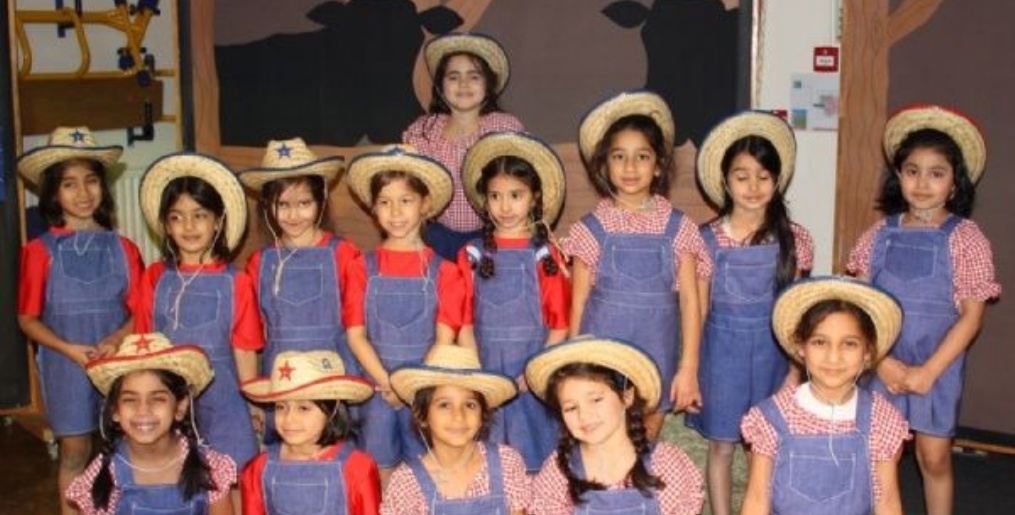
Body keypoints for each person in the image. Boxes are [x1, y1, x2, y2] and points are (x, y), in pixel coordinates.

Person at [846, 105, 1001, 515]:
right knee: (882, 458)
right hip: (883, 362)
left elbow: (972, 315)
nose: (923, 183)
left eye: (937, 173)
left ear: (954, 183)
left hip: (938, 365)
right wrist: (881, 363)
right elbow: (859, 310)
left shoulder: (966, 239)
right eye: (912, 171)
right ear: (898, 177)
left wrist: (928, 371)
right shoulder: (878, 234)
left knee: (933, 458)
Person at [685, 111, 813, 515]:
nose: (753, 186)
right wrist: (692, 370)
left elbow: (797, 314)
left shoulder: (795, 240)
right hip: (721, 358)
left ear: (777, 181)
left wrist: (795, 373)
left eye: (763, 176)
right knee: (722, 444)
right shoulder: (704, 239)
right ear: (725, 181)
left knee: (771, 442)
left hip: (775, 356)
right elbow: (699, 311)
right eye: (742, 176)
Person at [562, 91, 710, 438]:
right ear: (604, 165)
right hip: (601, 358)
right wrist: (571, 362)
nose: (630, 168)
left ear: (658, 165)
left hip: (657, 356)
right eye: (619, 156)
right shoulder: (589, 229)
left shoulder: (679, 227)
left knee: (646, 436)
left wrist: (688, 368)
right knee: (602, 435)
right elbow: (579, 302)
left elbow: (691, 302)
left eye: (642, 156)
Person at [15, 127, 144, 515]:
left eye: (90, 181)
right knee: (75, 448)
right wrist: (69, 349)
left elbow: (141, 312)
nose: (83, 193)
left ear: (102, 188)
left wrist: (119, 338)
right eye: (69, 184)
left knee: (121, 444)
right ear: (53, 193)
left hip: (117, 360)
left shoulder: (124, 248)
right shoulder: (38, 252)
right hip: (64, 362)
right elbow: (27, 319)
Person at [135, 153, 262, 483]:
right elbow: (143, 343)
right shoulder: (153, 277)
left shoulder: (237, 281)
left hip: (224, 396)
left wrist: (253, 405)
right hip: (168, 395)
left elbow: (245, 349)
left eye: (199, 216)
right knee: (177, 477)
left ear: (218, 221)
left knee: (232, 474)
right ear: (166, 224)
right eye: (177, 217)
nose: (189, 227)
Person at [345, 145, 467, 482]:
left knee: (425, 474)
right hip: (376, 391)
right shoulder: (361, 268)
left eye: (406, 200)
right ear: (373, 209)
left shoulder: (446, 271)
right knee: (379, 471)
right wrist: (389, 385)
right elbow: (355, 335)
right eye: (384, 202)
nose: (395, 212)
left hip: (424, 393)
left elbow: (444, 339)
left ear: (426, 205)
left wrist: (411, 388)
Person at [740, 277, 910, 515]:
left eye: (849, 344)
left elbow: (888, 502)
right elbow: (757, 500)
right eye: (820, 342)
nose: (833, 357)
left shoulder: (880, 419)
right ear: (801, 347)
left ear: (868, 353)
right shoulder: (772, 418)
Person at [456, 131, 570, 472]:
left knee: (536, 457)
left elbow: (560, 326)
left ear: (534, 198)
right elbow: (463, 322)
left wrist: (531, 375)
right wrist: (477, 374)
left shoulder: (545, 255)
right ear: (484, 200)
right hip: (485, 374)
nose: (505, 207)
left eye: (516, 195)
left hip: (532, 379)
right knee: (488, 461)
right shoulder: (472, 254)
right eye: (495, 196)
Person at [526, 336, 705, 514]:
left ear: (627, 397)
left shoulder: (665, 464)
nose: (584, 415)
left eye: (596, 400)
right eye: (571, 408)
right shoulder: (559, 472)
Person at [66, 332, 236, 514]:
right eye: (130, 400)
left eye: (157, 399)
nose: (143, 410)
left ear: (180, 407)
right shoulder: (105, 474)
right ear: (114, 410)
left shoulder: (210, 467)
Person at [240, 138, 363, 377]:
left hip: (334, 371)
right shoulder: (259, 262)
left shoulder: (343, 254)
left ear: (321, 201)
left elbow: (357, 323)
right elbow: (253, 331)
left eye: (304, 203)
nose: (294, 214)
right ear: (266, 206)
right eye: (282, 204)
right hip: (280, 373)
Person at [403, 33, 523, 260]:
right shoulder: (424, 131)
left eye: (474, 76)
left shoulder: (502, 127)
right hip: (436, 235)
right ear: (440, 87)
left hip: (491, 232)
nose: (464, 84)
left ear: (488, 85)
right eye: (453, 77)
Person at [381, 344, 529, 514]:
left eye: (470, 405)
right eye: (444, 405)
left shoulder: (506, 463)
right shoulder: (406, 484)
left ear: (482, 415)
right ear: (422, 416)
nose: (458, 416)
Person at [240, 350, 380, 514]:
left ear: (332, 411)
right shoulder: (257, 469)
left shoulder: (358, 468)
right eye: (281, 407)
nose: (289, 419)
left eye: (304, 408)